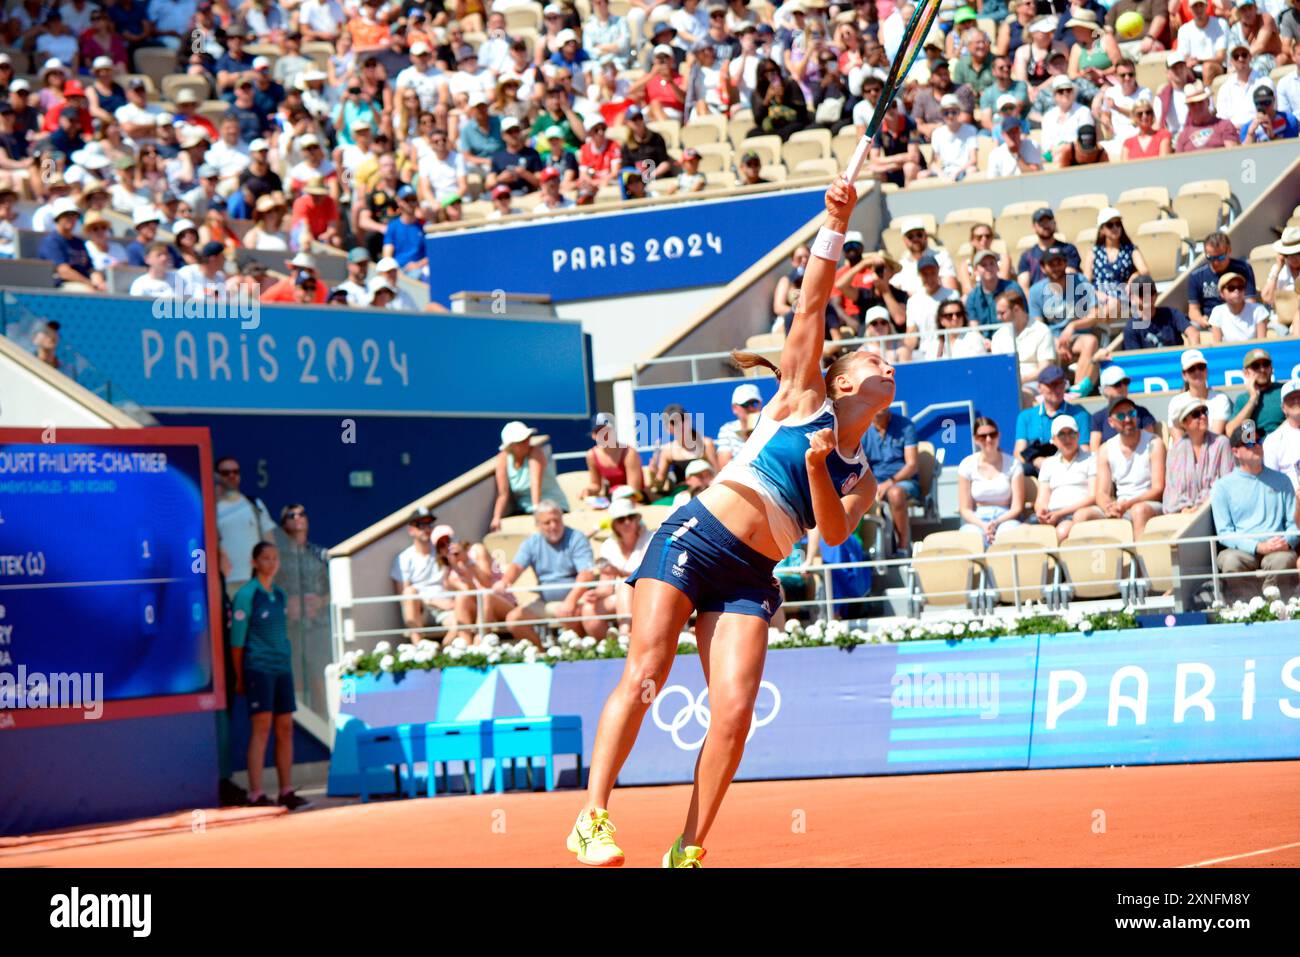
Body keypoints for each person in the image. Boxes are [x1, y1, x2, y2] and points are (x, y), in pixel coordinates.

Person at [567, 179, 895, 868]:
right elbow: (811, 300)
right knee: (648, 671)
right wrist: (833, 222)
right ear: (838, 381)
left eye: (887, 359)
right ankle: (592, 817)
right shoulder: (803, 393)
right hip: (696, 538)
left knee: (736, 713)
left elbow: (831, 535)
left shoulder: (860, 472)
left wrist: (813, 472)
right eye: (870, 358)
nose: (883, 361)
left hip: (752, 575)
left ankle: (687, 847)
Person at [232, 542, 310, 811]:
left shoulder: (279, 594)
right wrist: (240, 676)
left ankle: (286, 791)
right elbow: (237, 642)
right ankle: (256, 793)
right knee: (262, 728)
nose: (272, 563)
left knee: (285, 728)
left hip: (281, 669)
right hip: (258, 668)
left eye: (275, 559)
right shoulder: (246, 594)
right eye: (266, 559)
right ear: (254, 563)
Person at [1211, 420, 1299, 601]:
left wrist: (1287, 541)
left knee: (1283, 560)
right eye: (1249, 442)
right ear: (1235, 451)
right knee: (1230, 561)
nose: (1257, 446)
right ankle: (1249, 607)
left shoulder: (1282, 481)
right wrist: (1257, 546)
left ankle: (1273, 606)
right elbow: (1224, 532)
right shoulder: (1222, 487)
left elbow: (1294, 524)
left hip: (1277, 548)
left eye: (1258, 441)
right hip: (1242, 550)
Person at [497, 502, 595, 647]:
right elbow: (517, 566)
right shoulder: (531, 543)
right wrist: (504, 581)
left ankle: (577, 654)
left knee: (566, 614)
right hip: (544, 602)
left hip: (575, 600)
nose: (553, 526)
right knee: (513, 620)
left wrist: (570, 601)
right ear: (538, 525)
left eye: (556, 520)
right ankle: (541, 653)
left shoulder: (576, 538)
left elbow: (586, 574)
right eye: (547, 522)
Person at [273, 503, 331, 714]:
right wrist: (286, 604)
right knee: (294, 678)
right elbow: (269, 589)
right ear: (284, 524)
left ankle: (326, 725)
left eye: (302, 514)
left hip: (318, 626)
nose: (298, 518)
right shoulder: (276, 557)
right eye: (291, 515)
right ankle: (301, 724)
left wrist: (321, 602)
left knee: (320, 678)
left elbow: (335, 589)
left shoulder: (320, 554)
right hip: (289, 628)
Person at [580, 498, 652, 639]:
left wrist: (619, 572)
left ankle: (625, 634)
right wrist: (595, 594)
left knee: (625, 586)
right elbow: (606, 586)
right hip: (620, 598)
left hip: (648, 595)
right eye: (621, 519)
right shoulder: (608, 545)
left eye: (630, 517)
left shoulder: (652, 539)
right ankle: (612, 647)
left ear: (637, 519)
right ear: (614, 525)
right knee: (588, 609)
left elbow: (649, 575)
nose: (627, 522)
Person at [1095, 395, 1166, 537]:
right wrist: (1109, 508)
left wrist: (1127, 505)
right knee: (1083, 515)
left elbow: (1158, 490)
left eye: (1131, 413)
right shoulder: (1105, 449)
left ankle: (1140, 558)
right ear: (1111, 422)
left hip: (1149, 504)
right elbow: (1101, 493)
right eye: (1121, 416)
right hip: (1121, 505)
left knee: (1138, 511)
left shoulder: (1154, 443)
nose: (1127, 419)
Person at [491, 420, 570, 531]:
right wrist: (496, 517)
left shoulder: (535, 452)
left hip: (554, 508)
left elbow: (535, 484)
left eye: (528, 438)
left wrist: (538, 515)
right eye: (521, 441)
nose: (527, 442)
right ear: (511, 446)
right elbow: (503, 494)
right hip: (525, 511)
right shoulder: (502, 459)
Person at [958, 416, 1025, 547]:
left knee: (1008, 535)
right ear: (975, 439)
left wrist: (996, 522)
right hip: (977, 519)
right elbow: (965, 509)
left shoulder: (1014, 464)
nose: (988, 439)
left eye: (992, 435)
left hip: (1006, 517)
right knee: (970, 538)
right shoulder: (966, 465)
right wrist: (983, 525)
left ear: (998, 435)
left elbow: (1017, 507)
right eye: (982, 436)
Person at [215, 455, 276, 599]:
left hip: (256, 581)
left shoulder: (254, 504)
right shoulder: (210, 508)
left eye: (235, 472)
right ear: (216, 476)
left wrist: (270, 573)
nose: (231, 475)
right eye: (226, 472)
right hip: (225, 583)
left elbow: (269, 542)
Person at [1035, 415, 1103, 542]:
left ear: (1078, 436)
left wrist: (1060, 514)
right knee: (1022, 532)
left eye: (1071, 433)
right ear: (1054, 439)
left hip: (1078, 514)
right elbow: (1041, 498)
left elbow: (1093, 496)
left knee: (1062, 531)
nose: (1067, 439)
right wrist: (1041, 511)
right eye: (1062, 434)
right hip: (1052, 515)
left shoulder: (1092, 459)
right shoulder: (1048, 464)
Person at [1014, 365, 1092, 476]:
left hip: (1069, 468)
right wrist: (1037, 461)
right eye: (1051, 385)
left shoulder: (1080, 414)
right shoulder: (1026, 416)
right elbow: (1018, 453)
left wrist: (1057, 462)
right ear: (1039, 387)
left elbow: (1085, 449)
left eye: (1060, 384)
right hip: (1036, 470)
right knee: (1020, 470)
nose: (1057, 389)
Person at [1163, 393, 1234, 513]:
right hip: (1182, 513)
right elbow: (1171, 491)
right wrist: (1183, 509)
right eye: (1196, 414)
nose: (1203, 416)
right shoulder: (1175, 450)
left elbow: (1228, 484)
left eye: (1204, 412)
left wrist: (1201, 507)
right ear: (1184, 422)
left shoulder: (1222, 443)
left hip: (1214, 509)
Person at [864, 406, 919, 555]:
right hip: (874, 484)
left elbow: (912, 465)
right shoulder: (862, 428)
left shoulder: (905, 425)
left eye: (884, 400)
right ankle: (864, 550)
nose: (880, 404)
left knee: (895, 493)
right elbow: (859, 464)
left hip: (904, 482)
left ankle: (902, 548)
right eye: (876, 401)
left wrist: (889, 483)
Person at [1186, 232, 1256, 333]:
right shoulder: (1197, 276)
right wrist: (1201, 320)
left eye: (1220, 257)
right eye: (1211, 258)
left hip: (1239, 319)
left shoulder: (1244, 269)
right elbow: (1193, 310)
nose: (1216, 262)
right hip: (1210, 322)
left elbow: (1250, 302)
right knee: (1192, 326)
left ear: (1229, 251)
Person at [990, 288, 1055, 393]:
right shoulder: (998, 336)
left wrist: (1020, 381)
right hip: (1007, 386)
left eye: (1002, 313)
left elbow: (1045, 368)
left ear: (1016, 309)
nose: (998, 317)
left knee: (1020, 394)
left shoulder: (1042, 331)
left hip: (1037, 385)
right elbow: (998, 369)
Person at [1089, 365, 1158, 450]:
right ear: (1104, 389)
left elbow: (1149, 444)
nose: (1123, 387)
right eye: (1117, 384)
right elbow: (1094, 451)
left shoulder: (1142, 412)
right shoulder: (1098, 417)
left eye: (1125, 382)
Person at [584, 413, 645, 500]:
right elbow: (596, 485)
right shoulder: (591, 455)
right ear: (594, 435)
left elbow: (634, 490)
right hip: (614, 499)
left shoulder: (629, 453)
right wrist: (588, 491)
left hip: (638, 500)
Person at [1228, 347, 1286, 439]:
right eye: (1256, 366)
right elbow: (1231, 432)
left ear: (1271, 368)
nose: (1262, 369)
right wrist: (1253, 398)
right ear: (1246, 373)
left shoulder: (1285, 390)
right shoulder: (1243, 399)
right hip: (1256, 450)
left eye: (1266, 364)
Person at [1176, 348, 1234, 437]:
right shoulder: (1176, 402)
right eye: (1191, 369)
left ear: (1206, 370)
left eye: (1201, 367)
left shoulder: (1220, 399)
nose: (1197, 372)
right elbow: (1178, 441)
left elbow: (1215, 438)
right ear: (1184, 375)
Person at [1208, 271, 1269, 343]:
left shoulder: (1258, 310)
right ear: (1222, 293)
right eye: (1231, 288)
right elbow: (1217, 345)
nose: (1236, 291)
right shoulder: (1217, 312)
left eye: (1240, 287)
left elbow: (1262, 344)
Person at [1262, 379, 1300, 491]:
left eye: (1299, 396)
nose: (1296, 401)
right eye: (1291, 399)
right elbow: (1271, 485)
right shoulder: (1273, 440)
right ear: (1283, 408)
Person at [716, 383, 764, 466]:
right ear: (734, 408)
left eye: (754, 403)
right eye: (745, 404)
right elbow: (724, 466)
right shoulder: (727, 430)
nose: (751, 408)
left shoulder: (769, 427)